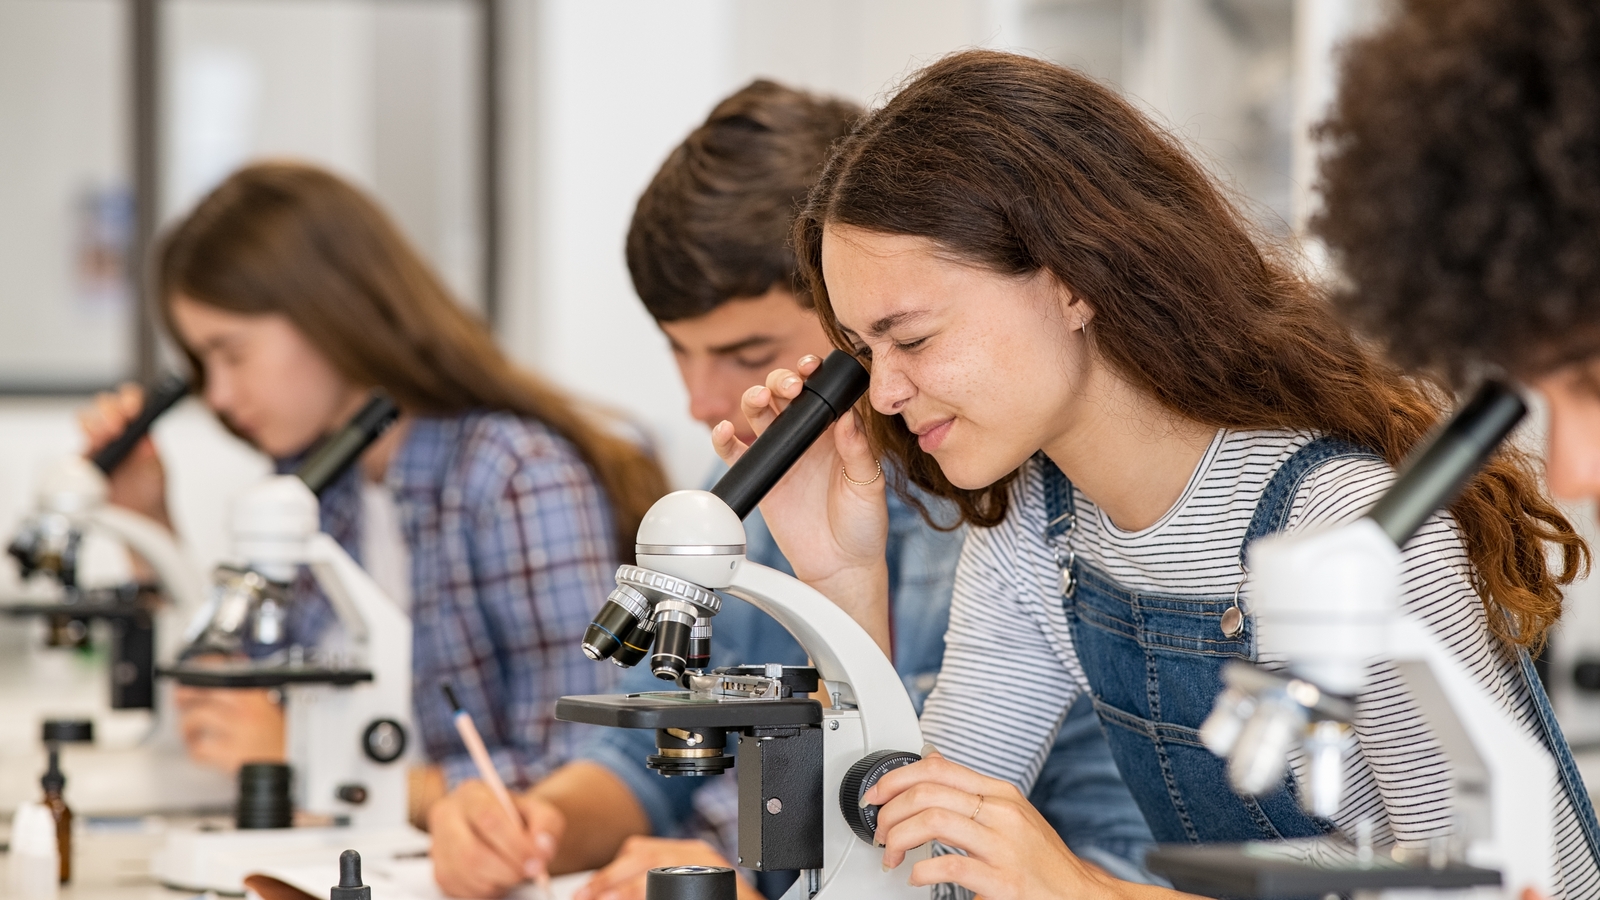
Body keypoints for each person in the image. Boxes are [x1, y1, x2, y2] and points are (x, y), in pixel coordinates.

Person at [715, 49, 1600, 900]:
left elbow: (1515, 888)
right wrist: (840, 586)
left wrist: (1087, 892)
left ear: (1071, 281)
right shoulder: (1037, 523)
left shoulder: (1347, 526)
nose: (889, 390)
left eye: (911, 338)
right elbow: (920, 857)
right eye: (863, 353)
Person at [427, 80, 1155, 900]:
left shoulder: (1021, 510)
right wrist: (534, 823)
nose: (700, 402)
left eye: (745, 353)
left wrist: (749, 887)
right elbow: (658, 740)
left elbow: (1091, 857)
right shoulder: (762, 486)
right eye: (678, 351)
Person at [78, 162, 666, 820]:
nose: (216, 394)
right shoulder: (320, 489)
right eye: (200, 364)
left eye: (231, 353)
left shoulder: (513, 476)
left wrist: (313, 758)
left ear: (328, 312)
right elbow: (227, 708)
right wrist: (146, 525)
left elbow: (587, 768)